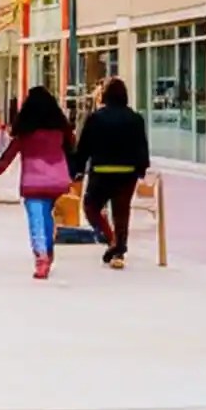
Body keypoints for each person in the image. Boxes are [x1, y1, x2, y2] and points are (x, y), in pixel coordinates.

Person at [0, 86, 75, 280]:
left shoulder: (25, 134)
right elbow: (72, 149)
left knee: (37, 219)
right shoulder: (60, 131)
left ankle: (41, 257)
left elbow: (7, 158)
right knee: (47, 216)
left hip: (33, 182)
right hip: (57, 181)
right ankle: (48, 250)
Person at [71, 78, 150, 270]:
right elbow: (142, 147)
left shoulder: (95, 118)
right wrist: (141, 169)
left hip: (102, 172)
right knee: (122, 212)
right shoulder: (136, 119)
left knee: (91, 207)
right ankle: (119, 251)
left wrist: (77, 169)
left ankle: (111, 239)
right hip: (127, 173)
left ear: (105, 96)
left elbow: (84, 147)